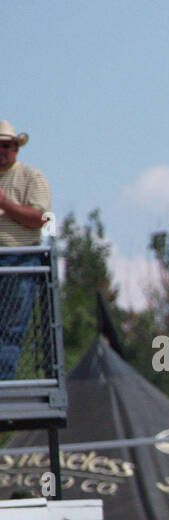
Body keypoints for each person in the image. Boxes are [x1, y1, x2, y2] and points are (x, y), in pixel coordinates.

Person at [0, 120, 52, 380]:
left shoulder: (32, 177)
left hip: (19, 261)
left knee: (10, 329)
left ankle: (3, 385)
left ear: (16, 148)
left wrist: (6, 205)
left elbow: (41, 219)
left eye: (6, 146)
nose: (2, 151)